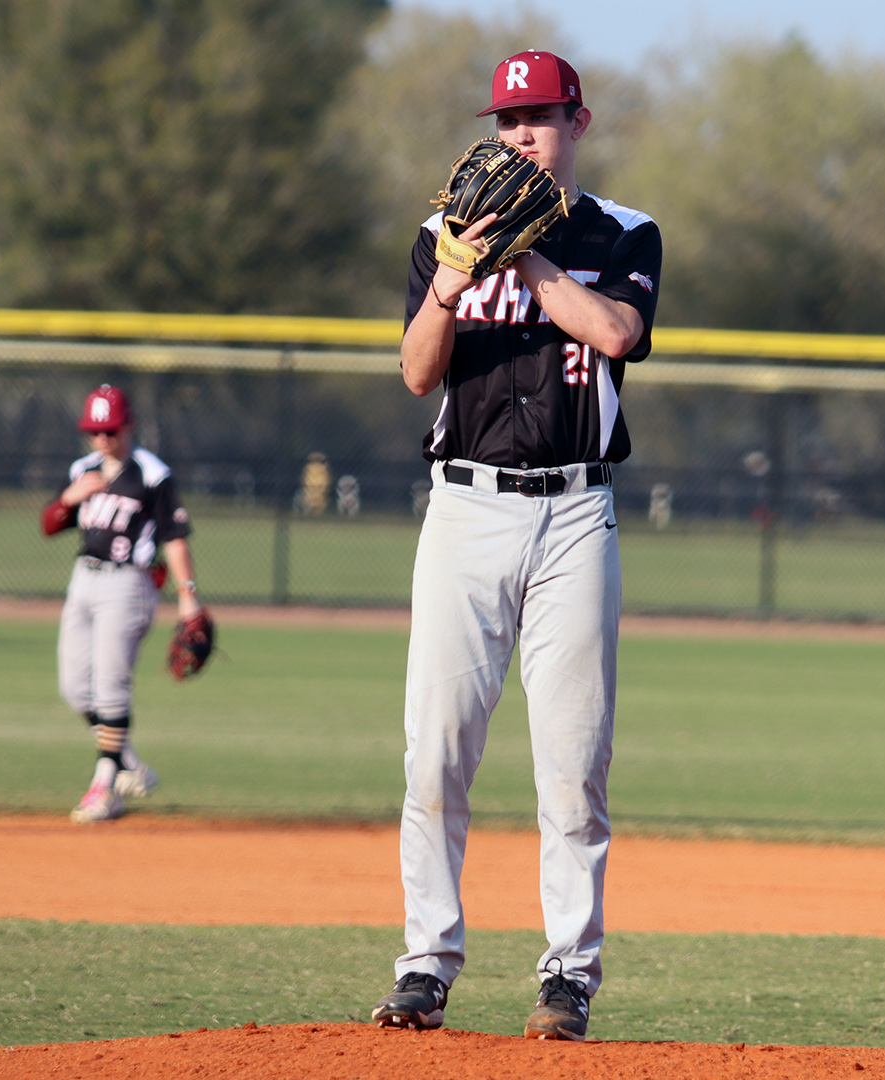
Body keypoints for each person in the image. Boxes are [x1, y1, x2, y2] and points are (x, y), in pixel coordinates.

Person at [370, 50, 662, 1042]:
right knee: (436, 753)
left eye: (540, 116)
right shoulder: (441, 235)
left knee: (573, 763)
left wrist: (529, 257)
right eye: (507, 120)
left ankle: (567, 977)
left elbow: (616, 334)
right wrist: (454, 276)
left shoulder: (622, 232)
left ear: (578, 120)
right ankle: (424, 965)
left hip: (577, 515)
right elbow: (416, 374)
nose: (521, 135)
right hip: (465, 511)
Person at [40, 384, 202, 823]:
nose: (103, 440)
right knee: (75, 688)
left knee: (111, 687)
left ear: (128, 426)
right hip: (83, 580)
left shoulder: (152, 474)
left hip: (130, 585)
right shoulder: (83, 468)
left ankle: (104, 786)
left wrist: (189, 600)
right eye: (95, 432)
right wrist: (69, 499)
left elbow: (174, 538)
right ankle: (129, 764)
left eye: (110, 430)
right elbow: (50, 525)